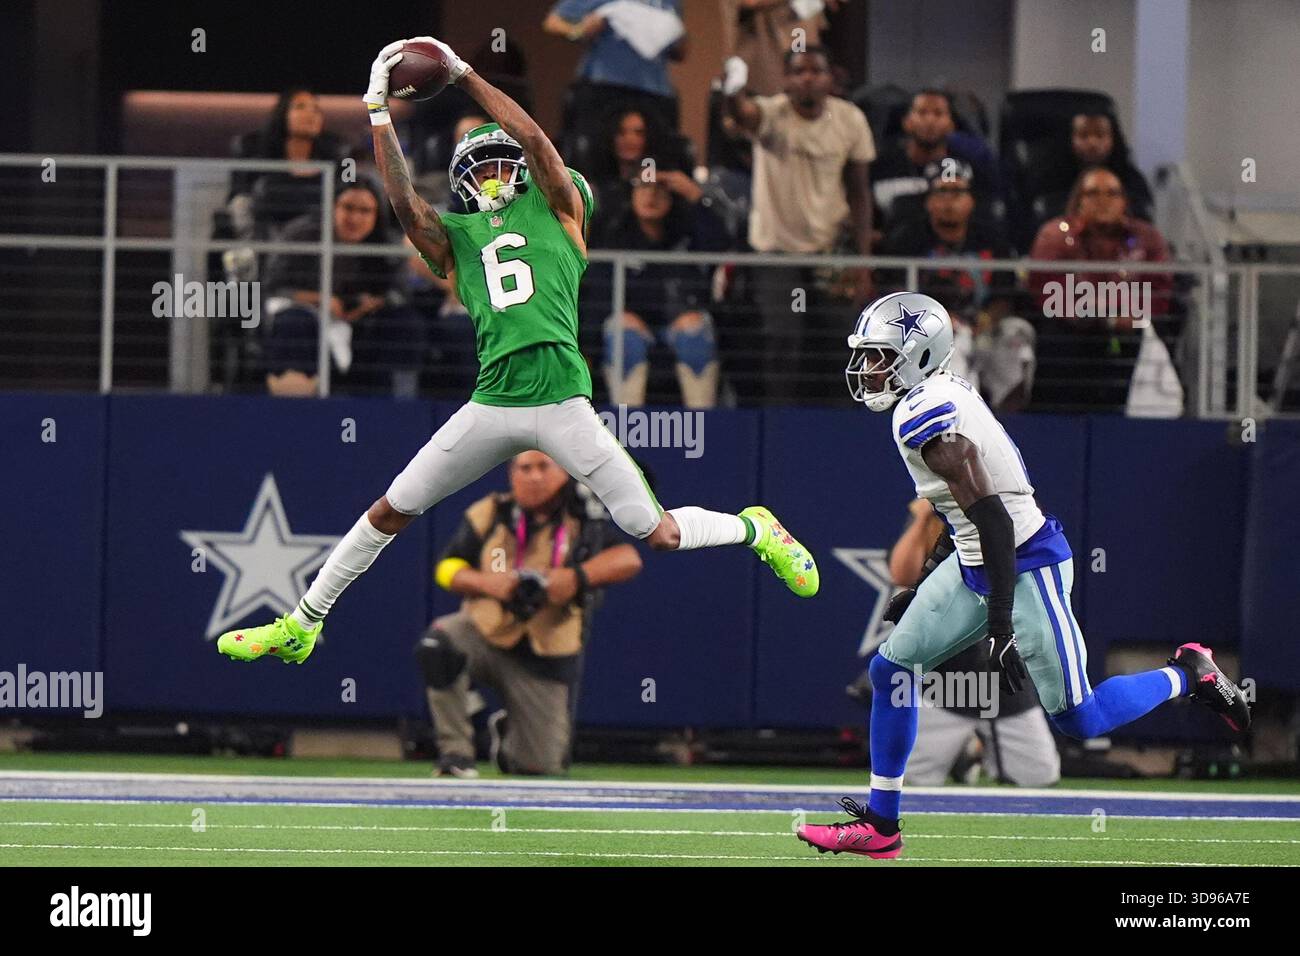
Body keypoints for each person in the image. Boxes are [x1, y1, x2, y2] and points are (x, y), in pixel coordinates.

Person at [214, 36, 819, 668]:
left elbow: (535, 141)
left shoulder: (560, 205)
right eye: (477, 170)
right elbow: (402, 202)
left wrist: (466, 76)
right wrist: (378, 112)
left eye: (499, 164)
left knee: (658, 532)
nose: (492, 175)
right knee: (390, 509)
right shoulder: (459, 235)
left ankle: (754, 527)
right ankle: (302, 622)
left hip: (561, 401)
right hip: (494, 401)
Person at [795, 291, 1251, 859]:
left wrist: (1000, 621)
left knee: (1081, 719)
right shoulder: (933, 395)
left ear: (917, 354)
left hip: (1026, 562)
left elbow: (992, 517)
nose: (867, 370)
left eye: (879, 356)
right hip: (974, 556)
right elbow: (960, 511)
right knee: (891, 670)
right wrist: (927, 578)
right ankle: (882, 827)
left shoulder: (921, 413)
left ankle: (1188, 673)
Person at [416, 451, 642, 778]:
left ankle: (509, 734)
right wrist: (486, 583)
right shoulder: (492, 511)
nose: (534, 477)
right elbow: (446, 567)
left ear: (564, 473)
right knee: (437, 645)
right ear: (511, 474)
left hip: (546, 651)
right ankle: (456, 753)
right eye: (525, 468)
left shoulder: (583, 519)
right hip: (486, 632)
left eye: (543, 467)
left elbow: (628, 559)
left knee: (541, 767)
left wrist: (575, 578)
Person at [722, 46, 874, 403]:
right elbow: (741, 114)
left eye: (815, 70)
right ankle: (778, 425)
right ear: (787, 81)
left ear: (830, 79)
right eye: (798, 71)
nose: (807, 77)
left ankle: (833, 427)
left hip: (830, 250)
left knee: (843, 343)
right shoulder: (771, 113)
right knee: (783, 338)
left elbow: (860, 192)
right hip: (777, 255)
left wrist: (864, 261)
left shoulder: (850, 119)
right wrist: (733, 91)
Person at [876, 498, 1060, 787]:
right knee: (912, 781)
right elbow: (902, 574)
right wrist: (923, 518)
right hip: (943, 686)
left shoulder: (1016, 513)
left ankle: (973, 750)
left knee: (1040, 776)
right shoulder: (941, 516)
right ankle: (962, 753)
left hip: (1002, 682)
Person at [261, 179, 427, 397]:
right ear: (332, 207)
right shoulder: (301, 234)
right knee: (293, 323)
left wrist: (372, 304)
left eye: (365, 210)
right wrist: (319, 299)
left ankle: (392, 408)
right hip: (310, 317)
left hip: (362, 325)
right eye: (348, 208)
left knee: (404, 323)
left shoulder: (386, 244)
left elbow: (399, 292)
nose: (355, 218)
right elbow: (273, 286)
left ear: (376, 215)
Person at [1027, 166, 1174, 412]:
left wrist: (1125, 316)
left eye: (1112, 194)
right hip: (1070, 331)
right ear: (1079, 201)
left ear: (1124, 202)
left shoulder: (1147, 238)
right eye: (1093, 194)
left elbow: (1160, 290)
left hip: (1128, 329)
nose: (1103, 201)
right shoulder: (1054, 235)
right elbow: (1046, 291)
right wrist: (1101, 316)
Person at [593, 166, 730, 407]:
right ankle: (625, 431)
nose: (651, 196)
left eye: (660, 188)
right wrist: (619, 314)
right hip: (634, 326)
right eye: (644, 187)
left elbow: (721, 242)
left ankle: (704, 428)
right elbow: (598, 290)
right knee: (623, 336)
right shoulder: (615, 234)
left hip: (680, 325)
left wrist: (696, 196)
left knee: (696, 332)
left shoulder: (687, 234)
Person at [869, 89, 1000, 236]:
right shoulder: (879, 165)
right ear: (907, 122)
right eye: (922, 113)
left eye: (938, 113)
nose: (930, 121)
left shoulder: (964, 169)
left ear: (951, 125)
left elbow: (984, 222)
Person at [226, 89, 349, 239]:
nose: (311, 114)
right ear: (283, 114)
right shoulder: (255, 153)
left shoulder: (341, 155)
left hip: (320, 237)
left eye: (316, 109)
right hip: (265, 236)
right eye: (300, 107)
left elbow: (351, 188)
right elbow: (238, 197)